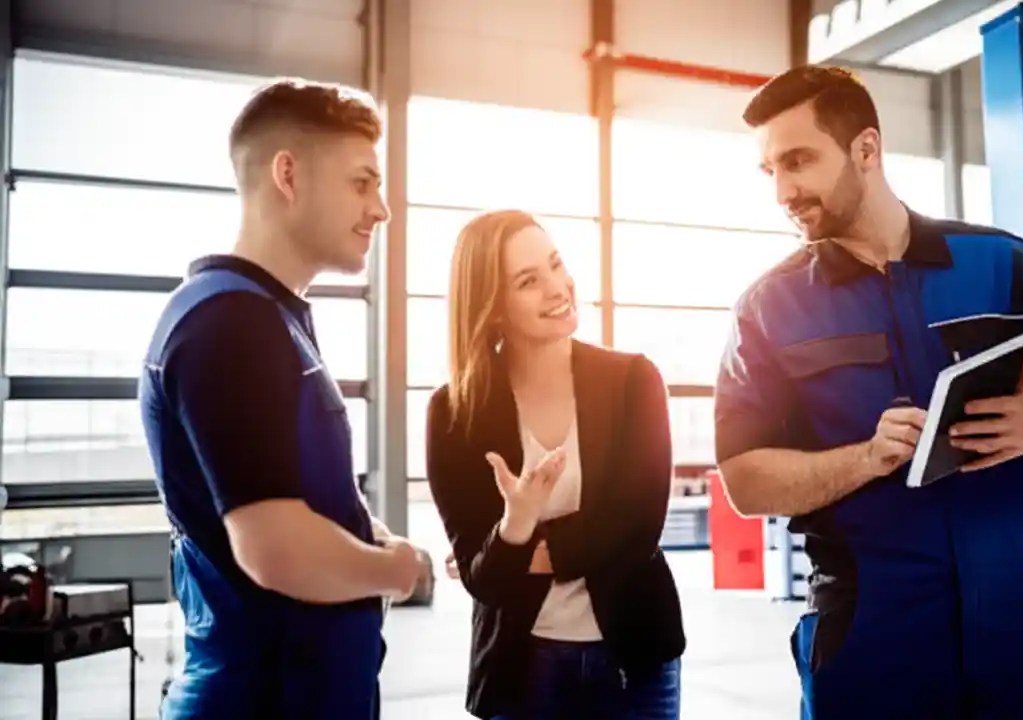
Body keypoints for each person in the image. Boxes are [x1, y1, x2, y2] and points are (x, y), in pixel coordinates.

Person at [714, 66, 1023, 719]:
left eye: (798, 161)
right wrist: (866, 458)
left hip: (1014, 633)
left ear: (866, 149)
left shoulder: (1004, 266)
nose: (783, 191)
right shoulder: (768, 310)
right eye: (769, 171)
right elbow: (745, 481)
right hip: (869, 646)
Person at [138, 78, 422, 719]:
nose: (381, 209)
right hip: (264, 701)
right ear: (288, 175)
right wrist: (396, 570)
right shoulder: (232, 325)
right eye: (361, 182)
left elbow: (290, 495)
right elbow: (276, 548)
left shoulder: (264, 317)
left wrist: (364, 533)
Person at [426, 209, 686, 720]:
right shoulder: (455, 412)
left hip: (634, 657)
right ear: (492, 307)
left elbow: (638, 530)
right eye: (528, 281)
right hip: (521, 668)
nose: (556, 287)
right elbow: (485, 580)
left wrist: (521, 548)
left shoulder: (634, 381)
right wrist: (518, 521)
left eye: (555, 264)